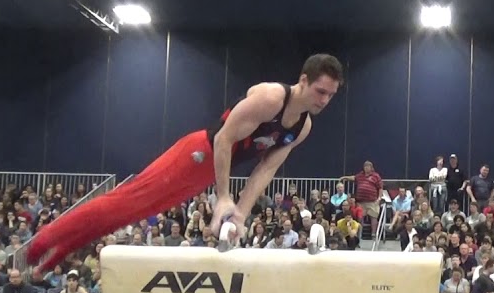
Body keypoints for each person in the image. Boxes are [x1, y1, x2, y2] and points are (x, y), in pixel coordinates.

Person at [25, 55, 343, 267]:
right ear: (303, 80)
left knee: (133, 212)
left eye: (330, 95)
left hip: (207, 172)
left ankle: (59, 252)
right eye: (320, 91)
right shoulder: (272, 98)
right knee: (125, 201)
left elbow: (265, 170)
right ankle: (44, 242)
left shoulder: (303, 128)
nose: (324, 100)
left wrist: (241, 216)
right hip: (198, 153)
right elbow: (223, 139)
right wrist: (222, 198)